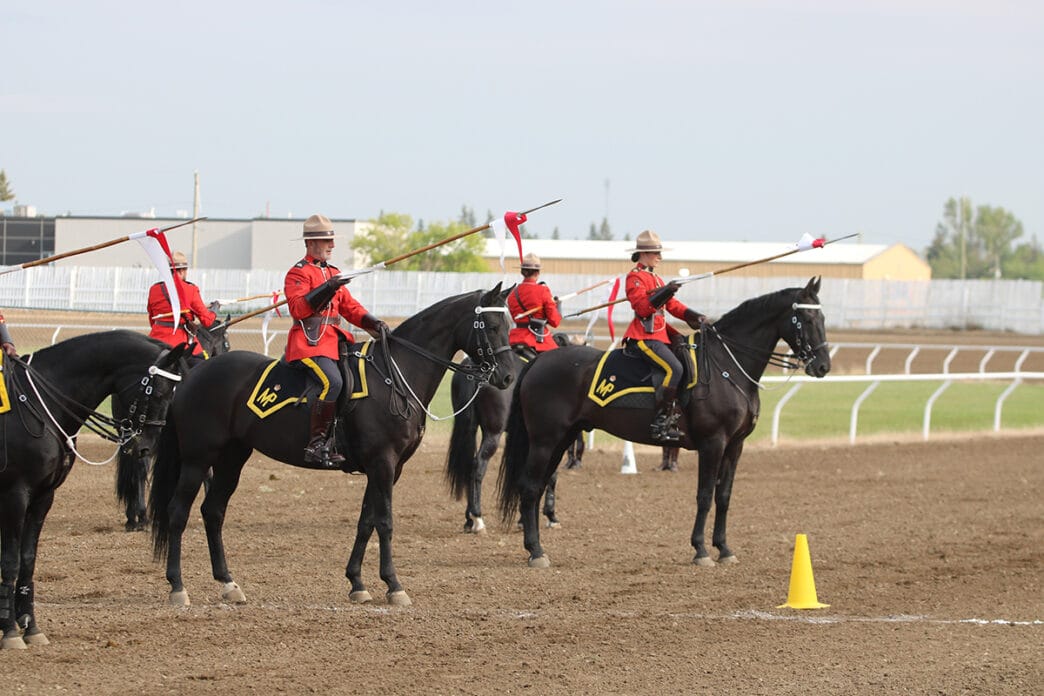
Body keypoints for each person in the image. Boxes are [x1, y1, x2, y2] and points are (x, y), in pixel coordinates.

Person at [284, 213, 388, 468]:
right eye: (326, 241)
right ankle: (317, 444)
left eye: (331, 240)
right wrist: (327, 288)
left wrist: (373, 323)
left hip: (335, 342)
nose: (332, 245)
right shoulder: (297, 273)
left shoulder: (333, 272)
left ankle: (343, 437)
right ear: (310, 243)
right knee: (332, 381)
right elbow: (299, 309)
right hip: (309, 344)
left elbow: (349, 307)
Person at [623, 230, 706, 443]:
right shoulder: (635, 277)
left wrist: (693, 315)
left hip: (661, 336)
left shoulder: (656, 278)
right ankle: (660, 420)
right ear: (644, 253)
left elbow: (673, 306)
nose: (660, 256)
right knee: (674, 369)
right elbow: (642, 308)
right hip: (644, 337)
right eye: (656, 253)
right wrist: (665, 291)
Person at [147, 251, 218, 360]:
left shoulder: (154, 289)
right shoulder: (191, 289)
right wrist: (214, 310)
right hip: (181, 344)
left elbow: (152, 319)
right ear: (183, 270)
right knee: (204, 368)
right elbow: (207, 321)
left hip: (155, 342)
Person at [506, 253, 563, 359]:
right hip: (537, 340)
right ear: (537, 272)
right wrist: (558, 306)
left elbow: (515, 318)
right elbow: (555, 321)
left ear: (522, 272)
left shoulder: (513, 294)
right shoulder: (542, 291)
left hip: (515, 338)